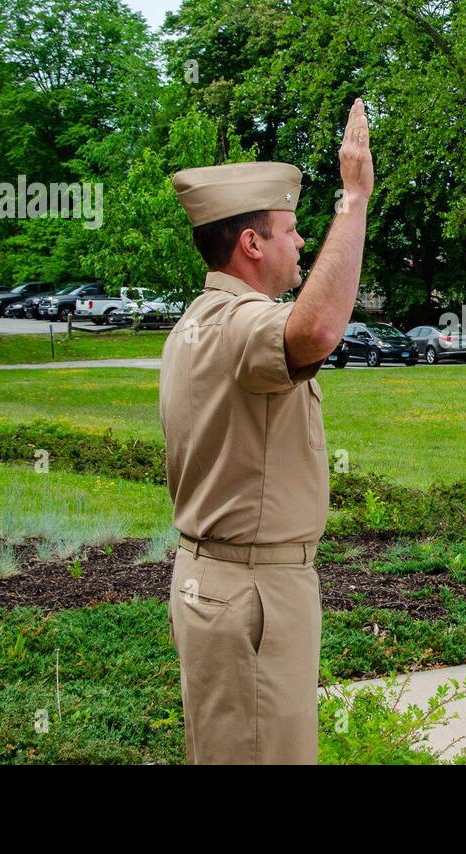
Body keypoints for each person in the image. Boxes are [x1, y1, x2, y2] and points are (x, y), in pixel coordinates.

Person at [160, 99, 373, 764]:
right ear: (251, 243)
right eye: (290, 230)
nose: (302, 241)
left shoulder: (199, 318)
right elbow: (315, 330)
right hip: (253, 592)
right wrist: (353, 199)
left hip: (222, 583)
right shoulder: (243, 324)